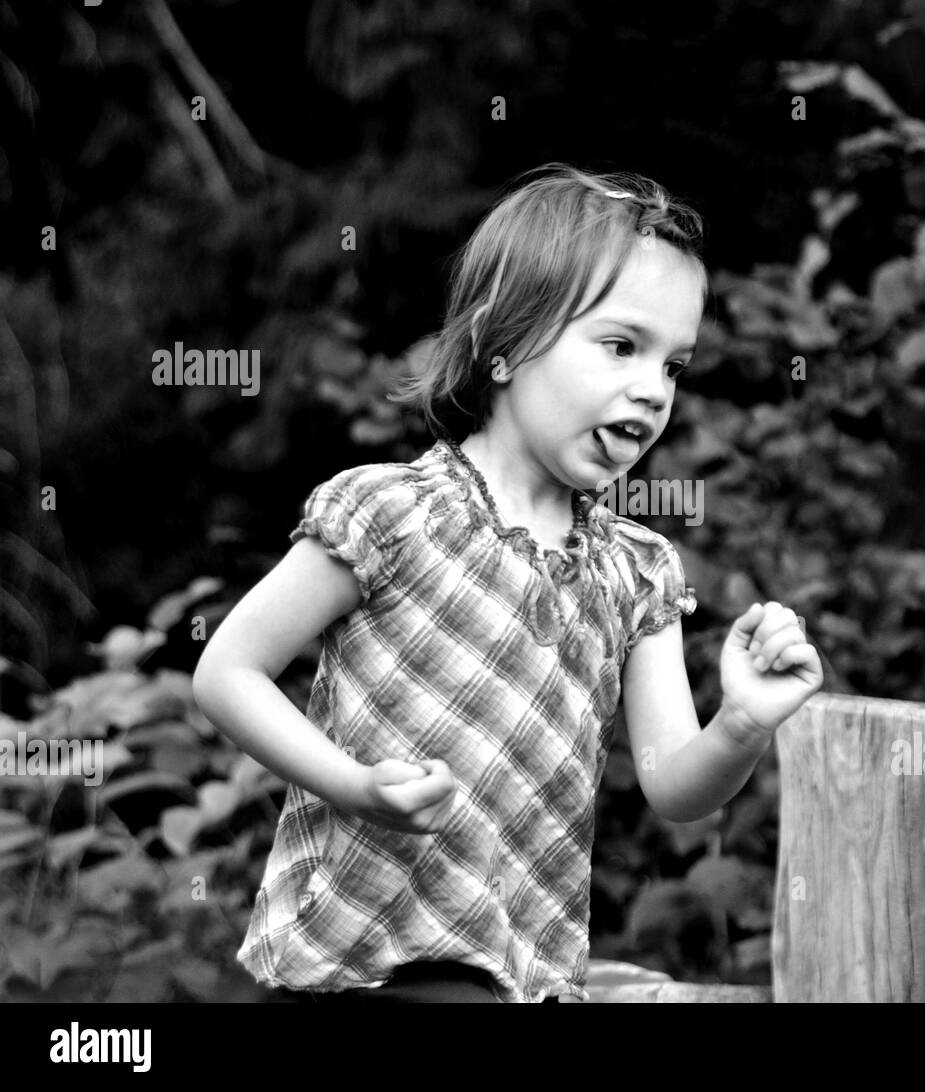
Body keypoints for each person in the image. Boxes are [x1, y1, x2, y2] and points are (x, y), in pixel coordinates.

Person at [192, 163, 823, 1004]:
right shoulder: (393, 513)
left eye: (675, 366)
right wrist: (354, 786)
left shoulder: (634, 571)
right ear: (507, 341)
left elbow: (674, 784)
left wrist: (740, 723)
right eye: (622, 346)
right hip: (370, 964)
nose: (651, 388)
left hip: (515, 974)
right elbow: (226, 673)